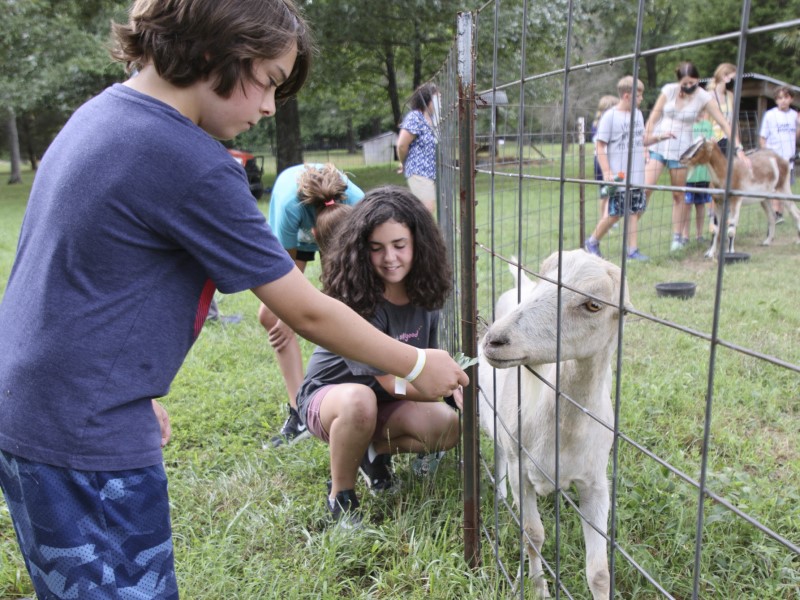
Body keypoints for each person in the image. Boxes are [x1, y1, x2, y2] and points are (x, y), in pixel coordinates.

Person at [0, 3, 468, 599]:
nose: (270, 107)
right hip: (80, 430)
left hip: (32, 405)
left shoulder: (101, 116)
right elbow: (304, 308)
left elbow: (61, 277)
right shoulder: (188, 160)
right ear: (213, 52)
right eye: (268, 81)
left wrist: (118, 394)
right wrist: (418, 363)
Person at [296, 186, 463, 526]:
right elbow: (392, 381)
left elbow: (423, 359)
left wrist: (447, 392)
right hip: (334, 399)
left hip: (384, 400)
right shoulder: (359, 298)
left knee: (448, 427)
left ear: (419, 243)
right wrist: (445, 389)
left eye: (399, 245)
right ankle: (341, 495)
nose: (390, 258)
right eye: (377, 249)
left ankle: (372, 453)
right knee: (359, 401)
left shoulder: (426, 292)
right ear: (361, 251)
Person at [260, 163, 364, 447]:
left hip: (337, 225)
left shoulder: (360, 205)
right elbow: (285, 272)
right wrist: (288, 318)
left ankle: (360, 388)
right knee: (269, 316)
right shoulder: (290, 210)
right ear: (316, 238)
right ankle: (300, 410)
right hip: (297, 224)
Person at [643, 61, 749, 252]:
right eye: (685, 83)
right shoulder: (669, 91)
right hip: (658, 143)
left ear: (698, 80)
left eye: (693, 82)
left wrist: (738, 147)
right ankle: (631, 237)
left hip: (682, 149)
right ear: (679, 81)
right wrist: (646, 141)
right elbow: (653, 118)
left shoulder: (703, 97)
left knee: (678, 194)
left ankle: (678, 238)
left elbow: (725, 124)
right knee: (645, 188)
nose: (689, 86)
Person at [584, 76, 667, 261]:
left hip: (637, 174)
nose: (642, 99)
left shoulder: (637, 114)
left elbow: (642, 140)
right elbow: (600, 146)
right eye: (639, 96)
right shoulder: (610, 117)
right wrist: (607, 171)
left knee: (633, 211)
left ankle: (632, 250)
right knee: (616, 213)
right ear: (627, 96)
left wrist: (660, 137)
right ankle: (591, 241)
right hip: (619, 175)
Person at [397, 82, 440, 213]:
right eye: (437, 98)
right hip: (419, 171)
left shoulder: (434, 119)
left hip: (430, 172)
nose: (440, 102)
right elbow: (402, 145)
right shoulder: (416, 117)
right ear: (427, 100)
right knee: (426, 210)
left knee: (423, 211)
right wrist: (403, 163)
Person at [759, 86, 799, 223]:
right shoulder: (770, 115)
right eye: (780, 98)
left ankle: (780, 213)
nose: (783, 101)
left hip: (789, 159)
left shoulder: (794, 115)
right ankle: (776, 213)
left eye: (786, 97)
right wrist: (765, 154)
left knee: (785, 187)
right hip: (774, 159)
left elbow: (796, 136)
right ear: (776, 100)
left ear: (791, 99)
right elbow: (763, 137)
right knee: (775, 187)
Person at [682, 112, 714, 244]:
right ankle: (684, 236)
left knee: (701, 205)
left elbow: (712, 145)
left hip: (703, 174)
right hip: (689, 175)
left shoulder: (708, 125)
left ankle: (699, 235)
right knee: (687, 205)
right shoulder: (686, 125)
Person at [593, 94, 621, 221]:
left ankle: (608, 216)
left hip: (601, 160)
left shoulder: (596, 125)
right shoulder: (604, 125)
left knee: (608, 191)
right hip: (604, 161)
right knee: (607, 191)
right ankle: (605, 218)